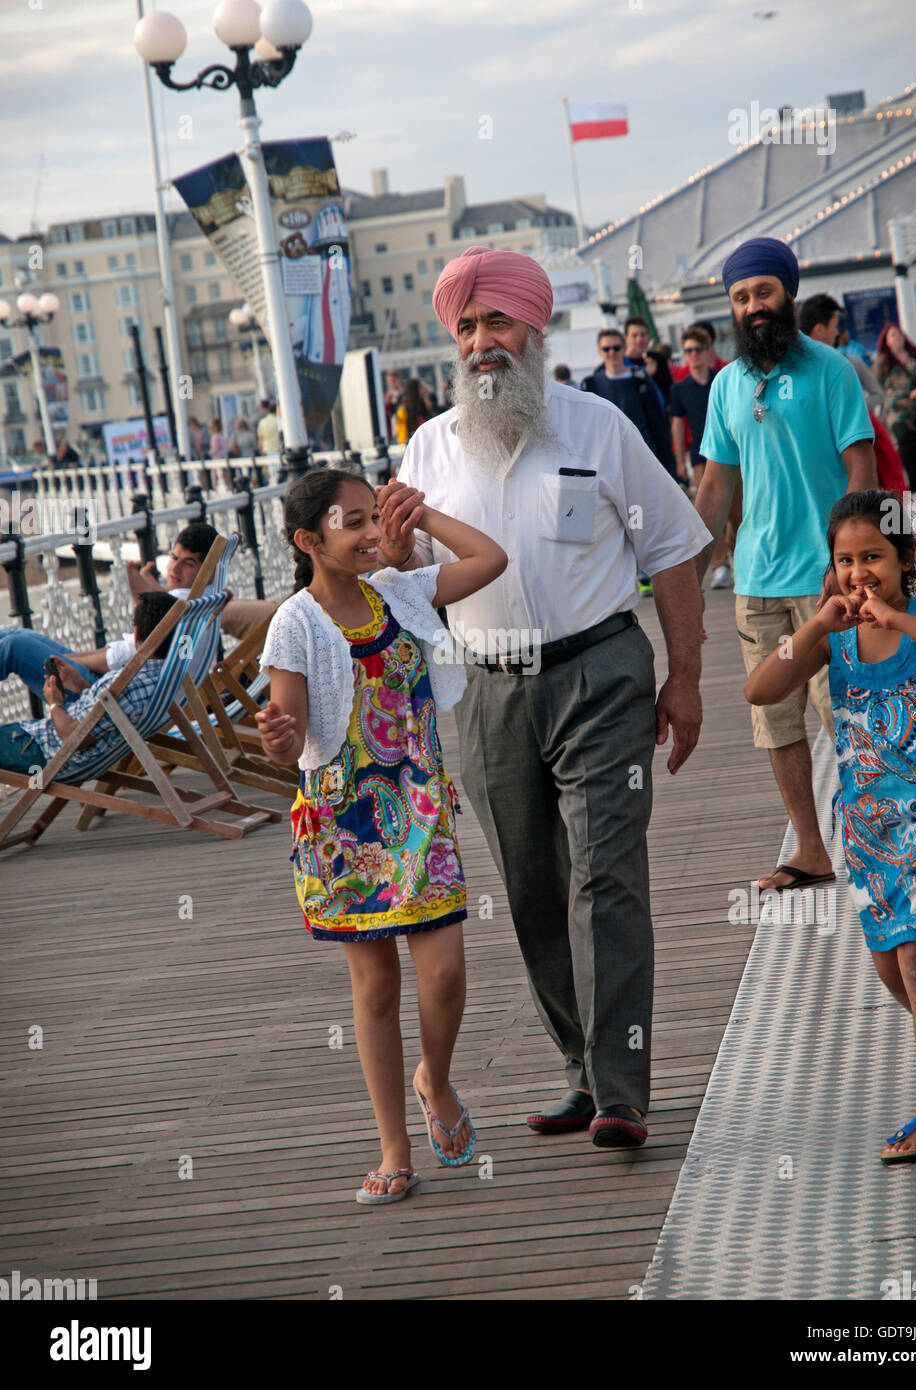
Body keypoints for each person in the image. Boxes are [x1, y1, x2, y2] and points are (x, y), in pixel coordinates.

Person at [391, 245, 711, 1149]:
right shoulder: (428, 447)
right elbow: (407, 583)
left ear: (534, 330)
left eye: (498, 323)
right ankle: (579, 1069)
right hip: (486, 692)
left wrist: (684, 679)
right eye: (467, 328)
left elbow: (673, 552)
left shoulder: (597, 426)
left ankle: (621, 1089)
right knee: (532, 889)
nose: (483, 342)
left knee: (605, 881)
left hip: (599, 673)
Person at [255, 468, 506, 1205]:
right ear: (309, 541)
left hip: (419, 808)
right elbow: (289, 735)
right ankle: (394, 1149)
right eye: (354, 522)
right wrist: (275, 739)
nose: (373, 534)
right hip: (341, 821)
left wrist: (419, 511)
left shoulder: (399, 590)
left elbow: (490, 558)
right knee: (374, 988)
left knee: (446, 973)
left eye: (375, 515)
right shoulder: (293, 625)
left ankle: (435, 1074)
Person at [744, 489, 916, 1162]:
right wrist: (815, 625)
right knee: (890, 970)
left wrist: (899, 619)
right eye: (845, 560)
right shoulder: (835, 640)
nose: (857, 573)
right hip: (871, 835)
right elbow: (760, 689)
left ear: (904, 559)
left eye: (872, 556)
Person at [695, 235, 876, 892]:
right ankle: (809, 847)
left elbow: (860, 464)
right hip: (756, 586)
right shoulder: (726, 384)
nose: (752, 306)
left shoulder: (829, 370)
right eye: (740, 297)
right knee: (773, 721)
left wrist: (851, 563)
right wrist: (689, 586)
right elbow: (715, 488)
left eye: (762, 292)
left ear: (786, 294)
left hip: (826, 583)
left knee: (848, 715)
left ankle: (879, 837)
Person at [0, 522, 219, 703]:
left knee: (14, 646)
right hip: (145, 695)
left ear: (209, 571)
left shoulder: (182, 610)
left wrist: (63, 661)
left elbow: (116, 658)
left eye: (188, 563)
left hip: (107, 698)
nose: (174, 568)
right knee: (20, 636)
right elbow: (148, 643)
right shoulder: (204, 602)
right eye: (173, 558)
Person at [0, 592, 177, 778]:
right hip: (58, 741)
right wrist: (82, 686)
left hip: (47, 751)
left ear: (137, 633)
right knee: (19, 638)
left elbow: (73, 739)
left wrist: (55, 703)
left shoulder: (127, 681)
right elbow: (109, 712)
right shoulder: (164, 675)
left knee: (15, 644)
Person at [582, 326, 681, 596]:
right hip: (603, 465)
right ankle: (626, 576)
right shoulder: (591, 385)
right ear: (600, 351)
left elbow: (659, 425)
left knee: (640, 521)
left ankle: (646, 573)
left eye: (616, 348)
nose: (612, 353)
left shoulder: (640, 381)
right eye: (606, 349)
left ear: (624, 349)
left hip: (640, 461)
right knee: (612, 524)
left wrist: (669, 466)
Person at [799, 294, 906, 492]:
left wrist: (849, 406)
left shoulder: (848, 362)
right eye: (834, 326)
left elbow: (877, 394)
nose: (837, 332)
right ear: (819, 329)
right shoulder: (795, 369)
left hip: (858, 436)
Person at [669, 326, 738, 589]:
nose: (693, 355)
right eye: (688, 351)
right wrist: (679, 460)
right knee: (708, 512)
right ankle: (719, 564)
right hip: (699, 455)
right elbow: (676, 424)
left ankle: (737, 557)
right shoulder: (679, 389)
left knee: (737, 509)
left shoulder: (722, 379)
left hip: (732, 453)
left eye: (698, 349)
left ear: (708, 350)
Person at [873, 325, 916, 493]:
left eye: (899, 334)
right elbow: (875, 383)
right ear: (886, 341)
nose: (897, 337)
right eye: (893, 335)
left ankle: (915, 478)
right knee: (903, 437)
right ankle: (906, 475)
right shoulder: (883, 361)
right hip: (895, 409)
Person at [623, 316, 673, 405]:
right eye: (634, 336)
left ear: (648, 336)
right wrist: (646, 374)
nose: (639, 339)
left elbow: (668, 392)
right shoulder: (621, 363)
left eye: (643, 335)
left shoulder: (658, 359)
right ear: (626, 338)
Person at [394, 379, 429, 444]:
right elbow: (402, 439)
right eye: (421, 388)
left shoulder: (423, 407)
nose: (424, 390)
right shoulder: (402, 411)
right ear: (414, 390)